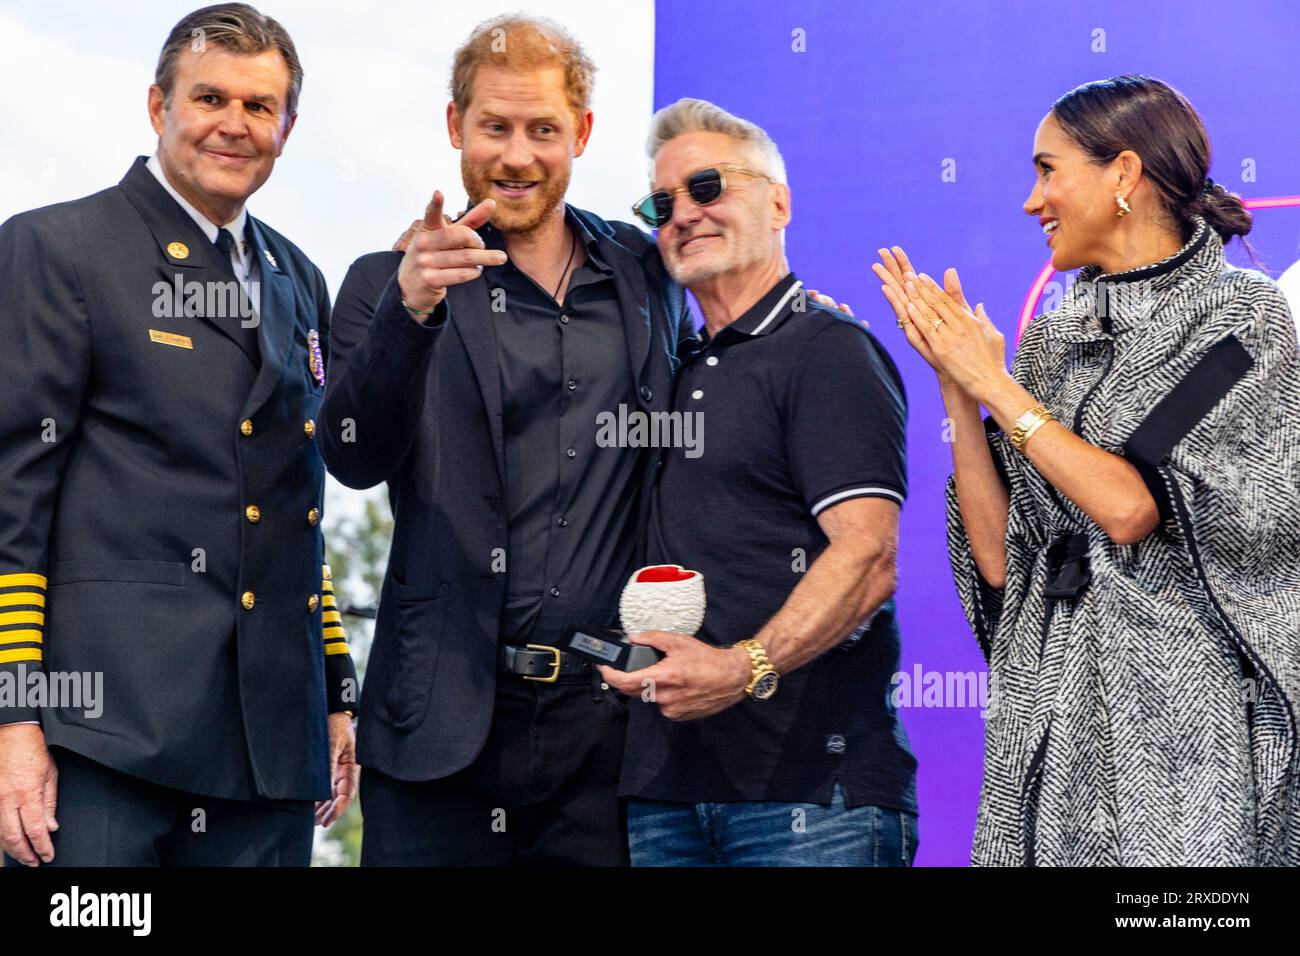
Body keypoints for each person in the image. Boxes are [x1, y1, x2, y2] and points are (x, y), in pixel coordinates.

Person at [873, 74, 1300, 865]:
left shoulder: (1240, 317)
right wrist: (961, 392)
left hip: (1182, 733)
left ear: (1125, 174)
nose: (1032, 202)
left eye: (1047, 170)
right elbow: (1004, 564)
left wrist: (997, 385)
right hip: (1049, 727)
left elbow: (1132, 508)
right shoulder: (1051, 343)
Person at [318, 15, 696, 866]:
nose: (517, 155)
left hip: (605, 737)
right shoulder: (387, 282)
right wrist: (409, 316)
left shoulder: (643, 274)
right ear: (455, 126)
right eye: (495, 127)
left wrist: (808, 325)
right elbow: (350, 454)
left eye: (543, 130)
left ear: (583, 135)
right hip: (437, 731)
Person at [0, 3, 358, 867]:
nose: (235, 125)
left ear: (288, 127)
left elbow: (294, 503)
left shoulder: (299, 277)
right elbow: (10, 501)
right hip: (101, 740)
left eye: (260, 106)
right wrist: (12, 722)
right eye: (210, 99)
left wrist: (335, 693)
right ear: (159, 107)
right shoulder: (59, 248)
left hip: (267, 745)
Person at [600, 99, 918, 867]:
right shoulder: (665, 371)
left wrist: (744, 669)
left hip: (813, 798)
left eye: (708, 187)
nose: (683, 214)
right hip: (667, 796)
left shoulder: (828, 350)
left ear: (779, 202)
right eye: (662, 203)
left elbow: (869, 557)